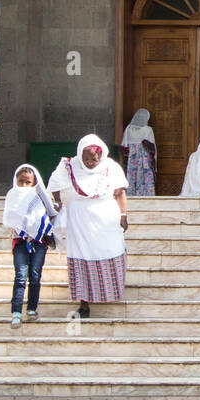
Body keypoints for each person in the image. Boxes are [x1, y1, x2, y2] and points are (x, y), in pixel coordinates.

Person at [47, 135, 129, 319]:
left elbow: (120, 192)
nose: (91, 162)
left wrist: (123, 215)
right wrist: (59, 202)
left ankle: (110, 293)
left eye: (95, 158)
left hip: (106, 218)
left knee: (110, 251)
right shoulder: (69, 166)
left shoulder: (111, 167)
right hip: (79, 220)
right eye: (87, 158)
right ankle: (84, 304)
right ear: (80, 154)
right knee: (82, 257)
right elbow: (54, 184)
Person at [1, 164, 57, 328]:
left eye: (28, 182)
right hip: (20, 242)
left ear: (34, 183)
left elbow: (50, 213)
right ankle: (16, 312)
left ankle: (32, 308)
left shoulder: (38, 196)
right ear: (16, 181)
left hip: (39, 242)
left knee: (35, 275)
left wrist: (42, 225)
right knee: (20, 275)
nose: (24, 185)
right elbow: (9, 217)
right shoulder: (12, 195)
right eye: (21, 182)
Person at [120, 108, 157, 197]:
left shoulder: (128, 129)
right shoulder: (148, 130)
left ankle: (131, 195)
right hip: (144, 159)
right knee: (145, 177)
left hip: (132, 159)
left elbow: (123, 146)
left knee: (132, 176)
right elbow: (152, 148)